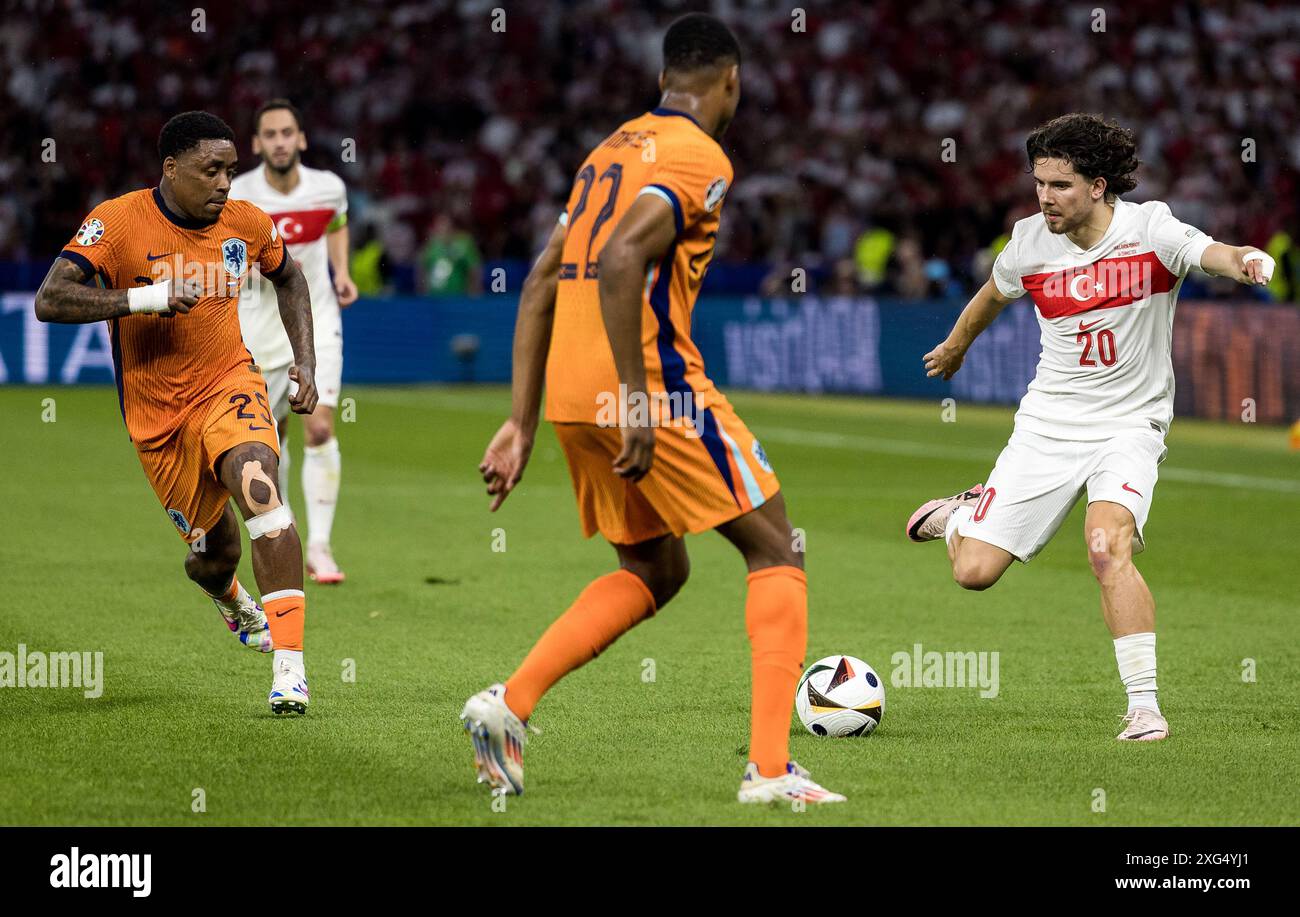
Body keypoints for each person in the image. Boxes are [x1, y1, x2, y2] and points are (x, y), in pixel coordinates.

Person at [462, 13, 844, 804]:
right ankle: (769, 772)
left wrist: (522, 420)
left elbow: (539, 281)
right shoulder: (701, 155)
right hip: (647, 388)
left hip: (571, 392)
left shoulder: (608, 149)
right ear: (729, 80)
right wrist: (637, 399)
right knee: (777, 548)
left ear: (663, 77)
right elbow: (624, 255)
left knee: (654, 566)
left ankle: (508, 706)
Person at [907, 113, 1275, 741]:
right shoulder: (1028, 241)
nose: (1045, 198)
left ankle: (1144, 707)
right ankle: (966, 514)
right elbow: (992, 296)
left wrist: (1244, 260)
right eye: (1039, 184)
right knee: (973, 573)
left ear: (1098, 186)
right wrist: (955, 346)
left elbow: (1209, 252)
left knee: (1107, 546)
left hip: (1130, 425)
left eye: (1060, 185)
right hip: (1048, 425)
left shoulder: (1150, 229)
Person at [34, 111, 317, 714]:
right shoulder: (116, 222)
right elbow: (50, 298)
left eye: (232, 171)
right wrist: (143, 297)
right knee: (215, 557)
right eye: (210, 170)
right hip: (157, 415)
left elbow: (290, 279)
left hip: (228, 384)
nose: (224, 184)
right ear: (170, 168)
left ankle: (290, 670)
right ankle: (229, 594)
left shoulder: (246, 223)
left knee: (261, 492)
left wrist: (305, 365)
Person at [231, 99, 355, 584]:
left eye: (288, 133)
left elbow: (337, 223)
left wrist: (341, 271)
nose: (280, 141)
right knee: (271, 441)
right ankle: (290, 534)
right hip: (258, 326)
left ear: (300, 139)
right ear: (257, 144)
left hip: (315, 318)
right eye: (270, 134)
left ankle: (321, 548)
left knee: (320, 427)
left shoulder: (329, 188)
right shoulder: (240, 195)